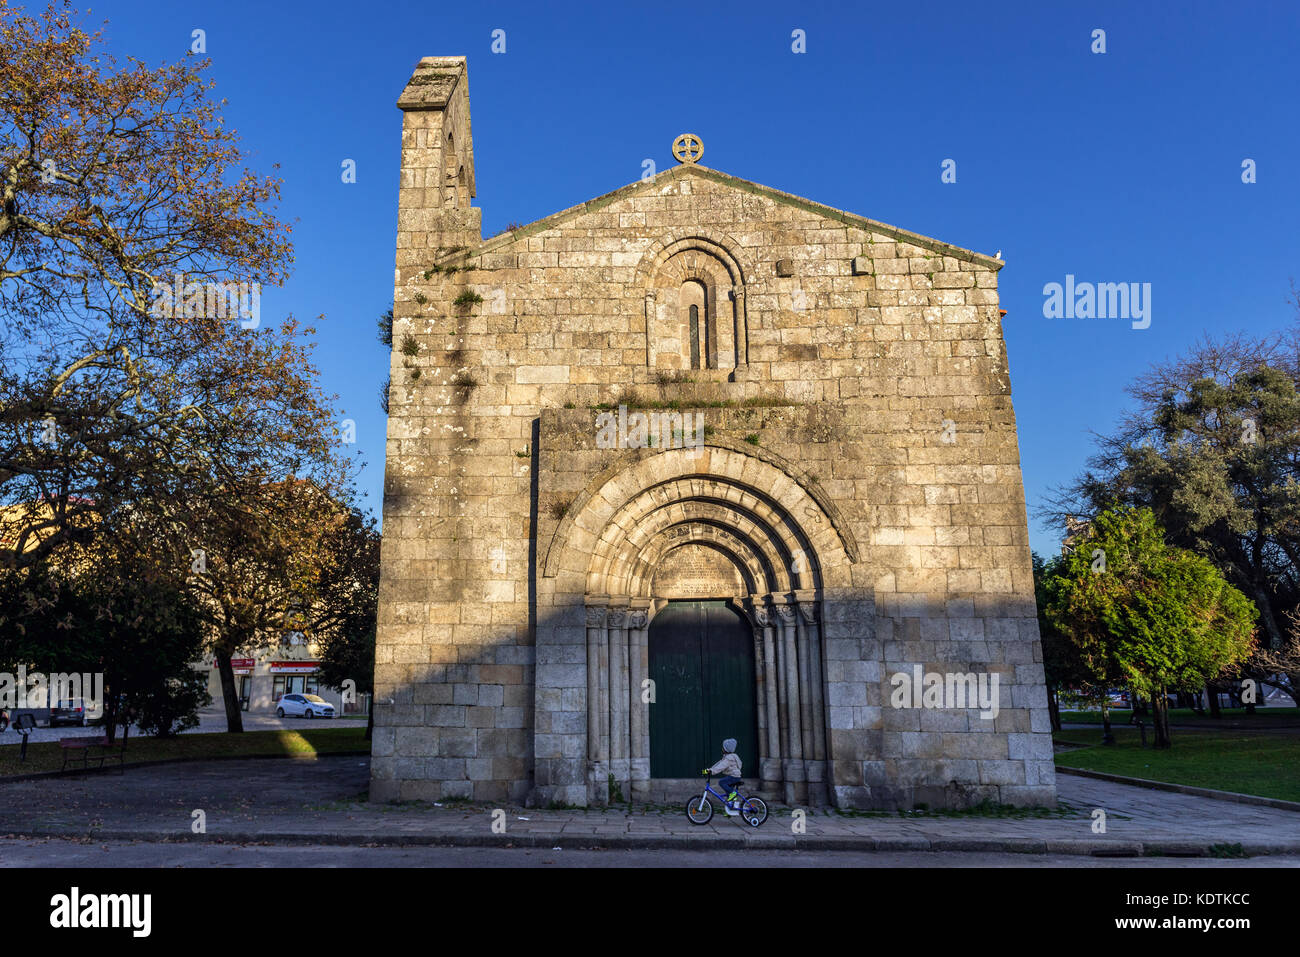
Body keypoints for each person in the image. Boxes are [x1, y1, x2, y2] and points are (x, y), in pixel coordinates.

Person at [706, 737, 743, 816]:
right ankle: (730, 806)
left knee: (722, 782)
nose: (722, 748)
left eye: (723, 747)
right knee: (728, 791)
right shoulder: (731, 756)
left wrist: (712, 771)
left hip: (733, 776)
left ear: (726, 749)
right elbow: (718, 764)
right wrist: (710, 769)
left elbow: (721, 767)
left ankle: (732, 794)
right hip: (736, 776)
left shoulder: (729, 758)